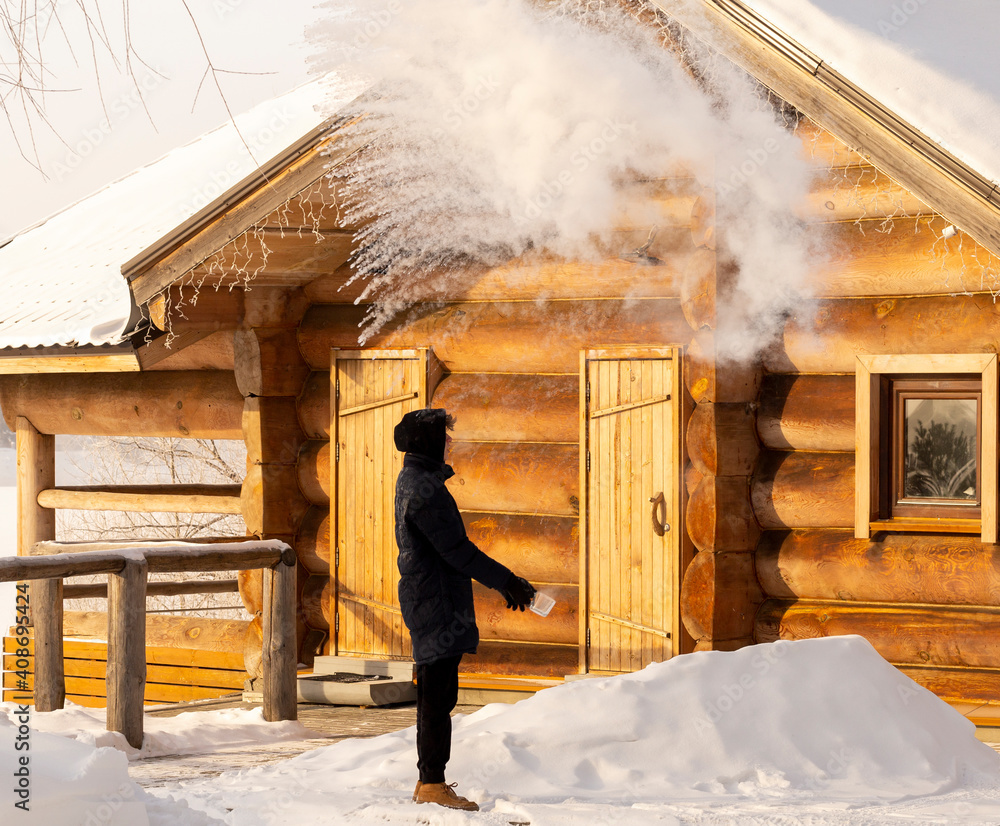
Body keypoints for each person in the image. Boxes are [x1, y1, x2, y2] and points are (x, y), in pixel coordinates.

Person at [393, 407, 536, 811]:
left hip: (430, 596)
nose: (450, 442)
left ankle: (429, 782)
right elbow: (455, 550)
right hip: (435, 600)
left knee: (437, 691)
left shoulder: (416, 479)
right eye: (445, 436)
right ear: (429, 441)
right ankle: (433, 783)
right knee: (437, 694)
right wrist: (506, 581)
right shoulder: (424, 488)